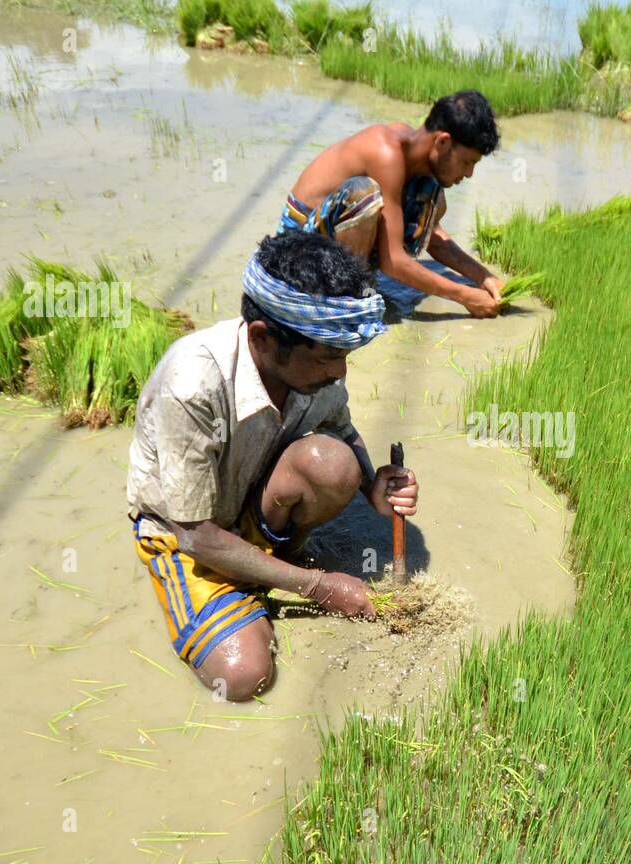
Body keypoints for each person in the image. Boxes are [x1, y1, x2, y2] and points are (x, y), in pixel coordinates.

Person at [125, 230, 418, 701]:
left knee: (335, 464)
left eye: (343, 357)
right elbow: (194, 532)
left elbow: (340, 429)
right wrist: (317, 586)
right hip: (186, 531)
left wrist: (373, 486)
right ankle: (261, 581)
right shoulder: (193, 383)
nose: (340, 372)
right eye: (329, 357)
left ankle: (269, 565)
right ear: (263, 338)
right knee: (244, 679)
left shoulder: (310, 364)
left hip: (252, 499)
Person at [280, 89, 503, 318]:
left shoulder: (417, 160)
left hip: (330, 244)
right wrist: (464, 295)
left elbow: (433, 238)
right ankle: (346, 300)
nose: (469, 174)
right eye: (467, 162)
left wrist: (484, 277)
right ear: (443, 142)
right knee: (364, 195)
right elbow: (394, 262)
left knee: (433, 194)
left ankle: (355, 284)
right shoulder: (386, 153)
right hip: (297, 249)